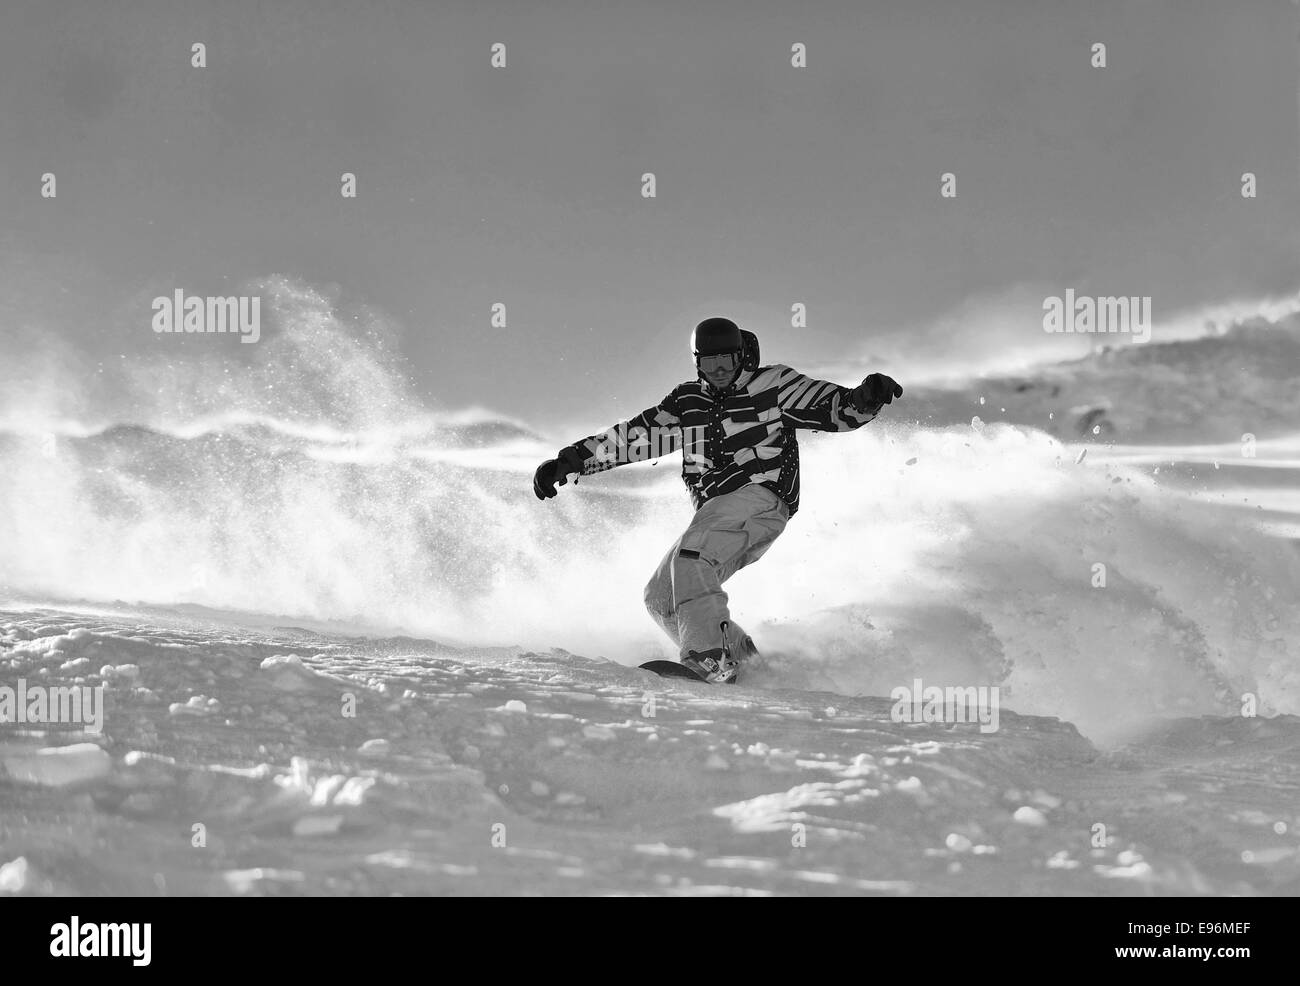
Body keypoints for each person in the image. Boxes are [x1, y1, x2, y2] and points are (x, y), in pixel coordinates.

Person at [533, 317, 902, 683]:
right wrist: (570, 461)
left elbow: (832, 407)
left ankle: (709, 657)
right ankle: (742, 657)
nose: (721, 369)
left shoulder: (771, 385)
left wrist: (864, 399)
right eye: (710, 362)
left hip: (762, 495)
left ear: (742, 355)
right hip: (717, 513)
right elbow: (635, 436)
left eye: (728, 359)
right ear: (697, 363)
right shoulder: (688, 402)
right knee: (661, 596)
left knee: (692, 557)